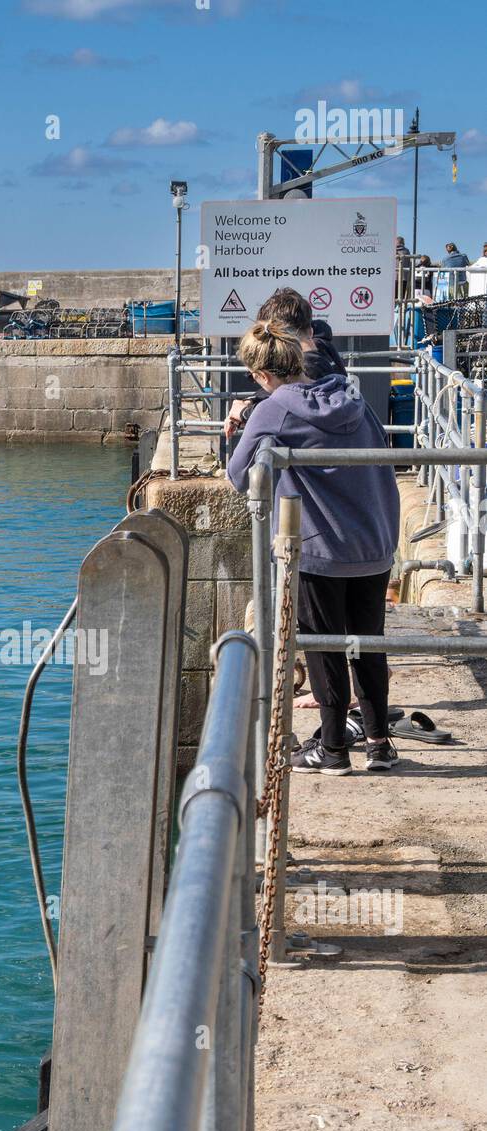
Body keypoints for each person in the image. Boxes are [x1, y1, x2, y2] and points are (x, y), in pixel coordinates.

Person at [227, 321, 400, 775]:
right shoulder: (351, 395)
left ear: (262, 374)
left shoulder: (274, 408)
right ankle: (380, 744)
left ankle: (334, 749)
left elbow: (239, 473)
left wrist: (251, 425)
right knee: (367, 641)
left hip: (323, 547)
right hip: (375, 539)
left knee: (323, 647)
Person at [224, 287, 346, 438]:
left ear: (279, 337)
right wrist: (252, 400)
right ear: (310, 330)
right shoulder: (321, 349)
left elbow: (294, 412)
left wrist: (246, 413)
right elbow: (285, 389)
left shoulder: (309, 365)